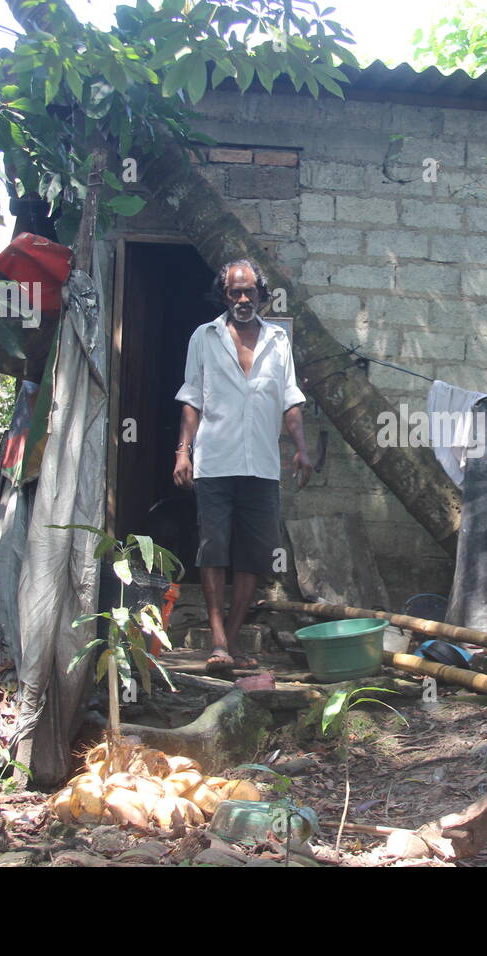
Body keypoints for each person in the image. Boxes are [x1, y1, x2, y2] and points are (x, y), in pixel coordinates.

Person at [173, 259, 312, 673]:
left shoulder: (278, 342)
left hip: (262, 467)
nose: (242, 299)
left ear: (261, 294)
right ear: (225, 295)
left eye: (249, 291)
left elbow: (291, 400)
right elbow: (192, 398)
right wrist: (183, 451)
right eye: (234, 292)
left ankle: (229, 641)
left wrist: (302, 448)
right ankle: (217, 640)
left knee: (254, 556)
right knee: (213, 549)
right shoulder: (205, 337)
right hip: (215, 462)